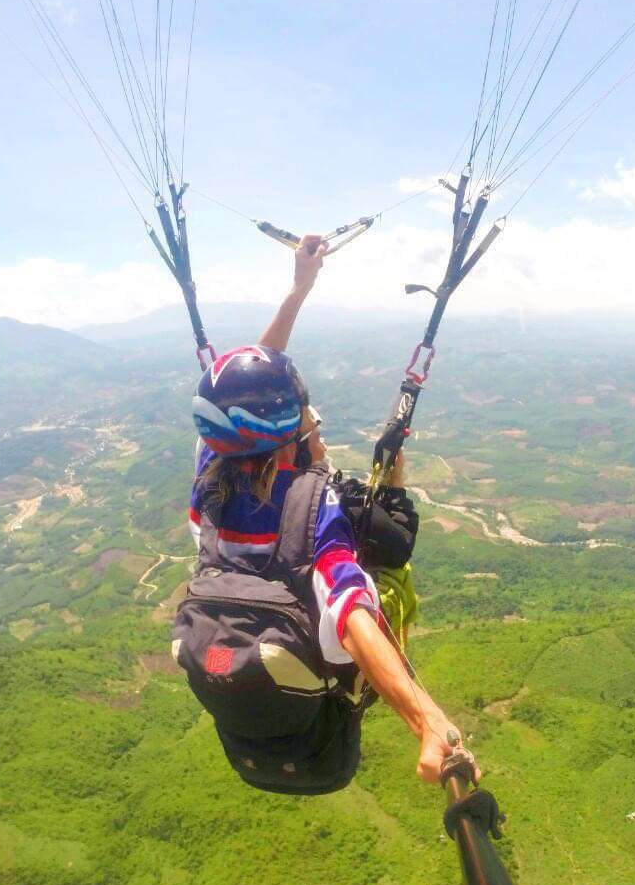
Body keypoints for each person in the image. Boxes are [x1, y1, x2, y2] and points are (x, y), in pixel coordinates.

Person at [174, 235, 473, 793]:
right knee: (384, 566)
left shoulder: (208, 483)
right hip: (315, 675)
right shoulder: (314, 508)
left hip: (246, 696)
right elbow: (350, 612)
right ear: (293, 436)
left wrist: (298, 291)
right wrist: (427, 722)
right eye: (312, 418)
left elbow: (242, 401)